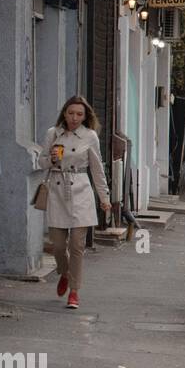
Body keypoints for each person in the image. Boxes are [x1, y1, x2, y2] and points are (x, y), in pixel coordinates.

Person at [39, 96, 111, 309]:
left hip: (80, 190)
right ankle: (64, 272)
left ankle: (74, 291)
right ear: (64, 113)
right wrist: (51, 159)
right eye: (71, 113)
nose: (74, 118)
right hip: (57, 189)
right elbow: (40, 161)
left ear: (85, 116)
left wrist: (104, 198)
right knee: (59, 245)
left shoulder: (90, 136)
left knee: (77, 245)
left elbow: (97, 169)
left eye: (79, 114)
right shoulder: (53, 133)